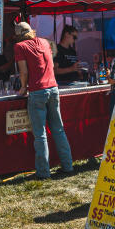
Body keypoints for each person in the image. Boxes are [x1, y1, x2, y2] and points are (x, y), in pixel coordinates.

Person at [14, 22, 73, 179]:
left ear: (18, 35)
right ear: (32, 31)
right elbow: (51, 64)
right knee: (58, 129)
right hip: (53, 88)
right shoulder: (45, 42)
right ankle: (68, 166)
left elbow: (24, 72)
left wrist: (22, 88)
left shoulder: (20, 46)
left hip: (37, 91)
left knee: (40, 135)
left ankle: (43, 172)